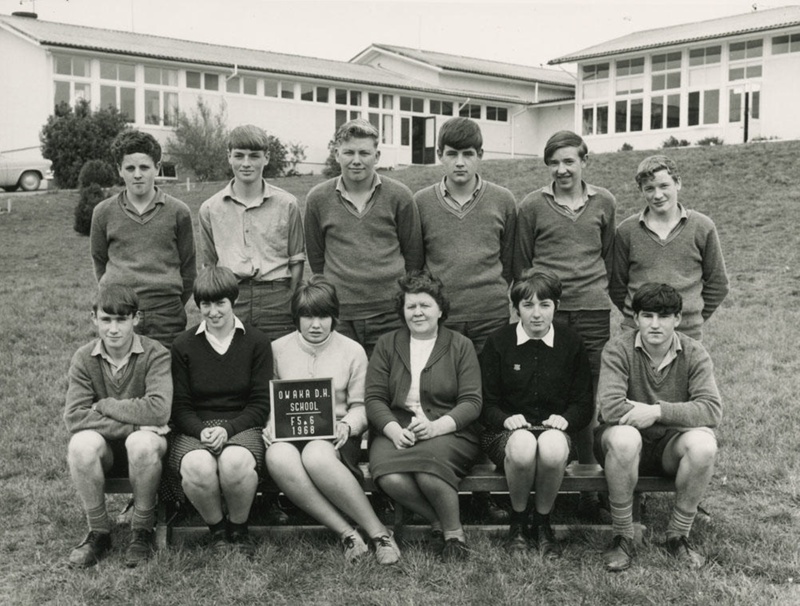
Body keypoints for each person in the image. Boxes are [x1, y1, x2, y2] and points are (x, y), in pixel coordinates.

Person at [514, 130, 616, 520]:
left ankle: (589, 483)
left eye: (569, 161)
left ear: (584, 162)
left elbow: (609, 257)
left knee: (587, 395)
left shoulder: (604, 202)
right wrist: (538, 305)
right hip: (547, 313)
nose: (562, 169)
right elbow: (522, 263)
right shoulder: (531, 206)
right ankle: (542, 478)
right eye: (554, 163)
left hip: (591, 312)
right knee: (545, 388)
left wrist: (597, 294)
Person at [263, 276, 401, 565]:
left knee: (316, 454)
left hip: (335, 437)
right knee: (277, 456)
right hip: (291, 433)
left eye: (323, 316)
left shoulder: (352, 350)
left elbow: (362, 405)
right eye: (307, 316)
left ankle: (379, 533)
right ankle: (347, 533)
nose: (316, 325)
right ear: (296, 318)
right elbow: (269, 400)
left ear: (334, 317)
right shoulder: (277, 349)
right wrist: (270, 424)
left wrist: (348, 425)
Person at [595, 283, 722, 572]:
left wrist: (656, 412)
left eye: (663, 316)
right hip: (621, 445)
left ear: (677, 319)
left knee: (704, 445)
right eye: (647, 316)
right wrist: (677, 414)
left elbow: (711, 410)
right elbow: (611, 408)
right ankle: (622, 536)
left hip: (668, 446)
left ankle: (678, 536)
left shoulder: (694, 352)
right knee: (626, 438)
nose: (655, 324)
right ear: (636, 318)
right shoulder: (618, 349)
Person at [366, 270, 482, 562]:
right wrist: (393, 430)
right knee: (388, 475)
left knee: (428, 470)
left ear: (440, 309)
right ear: (403, 311)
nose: (418, 312)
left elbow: (471, 402)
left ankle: (454, 536)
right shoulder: (387, 344)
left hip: (449, 430)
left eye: (425, 305)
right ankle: (438, 521)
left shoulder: (460, 345)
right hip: (398, 429)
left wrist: (436, 428)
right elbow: (374, 398)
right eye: (411, 306)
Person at [480, 271, 593, 557]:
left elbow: (583, 403)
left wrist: (566, 419)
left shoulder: (571, 342)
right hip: (506, 435)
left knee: (552, 447)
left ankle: (543, 523)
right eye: (528, 305)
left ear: (557, 306)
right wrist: (505, 419)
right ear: (516, 308)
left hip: (555, 433)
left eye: (545, 304)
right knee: (523, 444)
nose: (537, 313)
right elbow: (486, 403)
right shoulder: (498, 342)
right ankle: (518, 523)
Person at [64, 284, 172, 568]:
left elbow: (159, 410)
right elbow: (75, 416)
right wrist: (134, 427)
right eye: (106, 319)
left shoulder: (156, 353)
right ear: (94, 319)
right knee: (80, 444)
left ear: (136, 318)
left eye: (121, 319)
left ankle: (142, 530)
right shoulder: (84, 357)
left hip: (150, 448)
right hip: (108, 450)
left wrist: (105, 405)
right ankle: (99, 532)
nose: (113, 329)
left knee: (142, 443)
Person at [168, 267, 273, 555]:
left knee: (235, 462)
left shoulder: (257, 342)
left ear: (233, 301)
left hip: (243, 425)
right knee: (197, 466)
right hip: (195, 428)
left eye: (220, 303)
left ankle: (239, 528)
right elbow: (180, 406)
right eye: (206, 304)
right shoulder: (183, 345)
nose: (213, 312)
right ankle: (217, 531)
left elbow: (260, 403)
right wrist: (201, 431)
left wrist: (228, 430)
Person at [305, 119, 423, 356]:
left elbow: (414, 254)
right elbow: (316, 257)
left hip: (390, 313)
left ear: (376, 156)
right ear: (337, 154)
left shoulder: (400, 196)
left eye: (364, 153)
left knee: (389, 376)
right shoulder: (317, 199)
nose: (356, 160)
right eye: (349, 152)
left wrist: (400, 298)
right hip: (340, 315)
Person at [414, 117, 516, 355]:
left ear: (480, 155)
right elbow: (416, 261)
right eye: (452, 154)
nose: (460, 162)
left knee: (490, 378)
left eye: (468, 154)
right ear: (440, 155)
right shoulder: (420, 202)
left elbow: (510, 260)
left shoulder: (503, 200)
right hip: (441, 317)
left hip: (491, 316)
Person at [198, 124, 305, 344]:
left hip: (277, 299)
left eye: (254, 156)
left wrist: (289, 298)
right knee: (233, 360)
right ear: (229, 156)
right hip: (231, 299)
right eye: (239, 156)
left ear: (266, 158)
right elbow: (209, 265)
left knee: (278, 360)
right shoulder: (210, 209)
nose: (246, 163)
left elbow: (297, 259)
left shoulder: (287, 204)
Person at [90, 129, 196, 348]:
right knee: (122, 369)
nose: (137, 174)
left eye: (144, 167)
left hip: (166, 315)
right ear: (119, 170)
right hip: (121, 313)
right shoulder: (103, 212)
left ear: (157, 167)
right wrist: (116, 299)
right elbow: (99, 260)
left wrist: (170, 303)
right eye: (130, 168)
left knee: (166, 368)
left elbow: (188, 268)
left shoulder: (179, 212)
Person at [610, 155, 729, 340]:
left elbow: (718, 283)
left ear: (678, 183)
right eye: (649, 188)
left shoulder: (702, 227)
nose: (657, 195)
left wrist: (691, 316)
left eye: (664, 186)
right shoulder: (626, 231)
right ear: (641, 190)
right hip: (637, 334)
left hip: (686, 333)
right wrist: (640, 316)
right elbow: (617, 286)